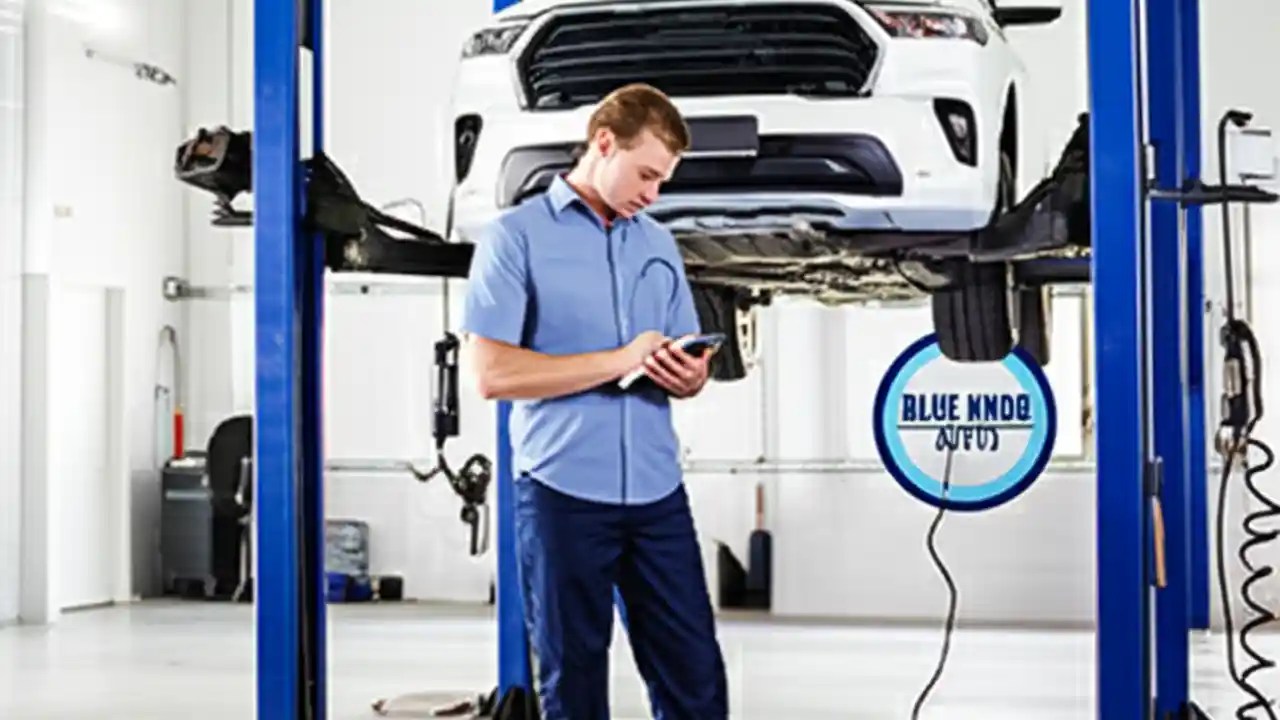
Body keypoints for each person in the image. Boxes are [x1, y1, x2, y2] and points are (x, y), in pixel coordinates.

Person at [460, 82, 729, 719]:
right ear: (603, 143)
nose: (653, 194)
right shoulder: (515, 239)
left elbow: (679, 357)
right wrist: (622, 359)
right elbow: (493, 374)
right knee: (573, 679)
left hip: (657, 494)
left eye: (663, 180)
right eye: (645, 174)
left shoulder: (656, 244)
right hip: (562, 493)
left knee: (694, 673)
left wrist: (689, 376)